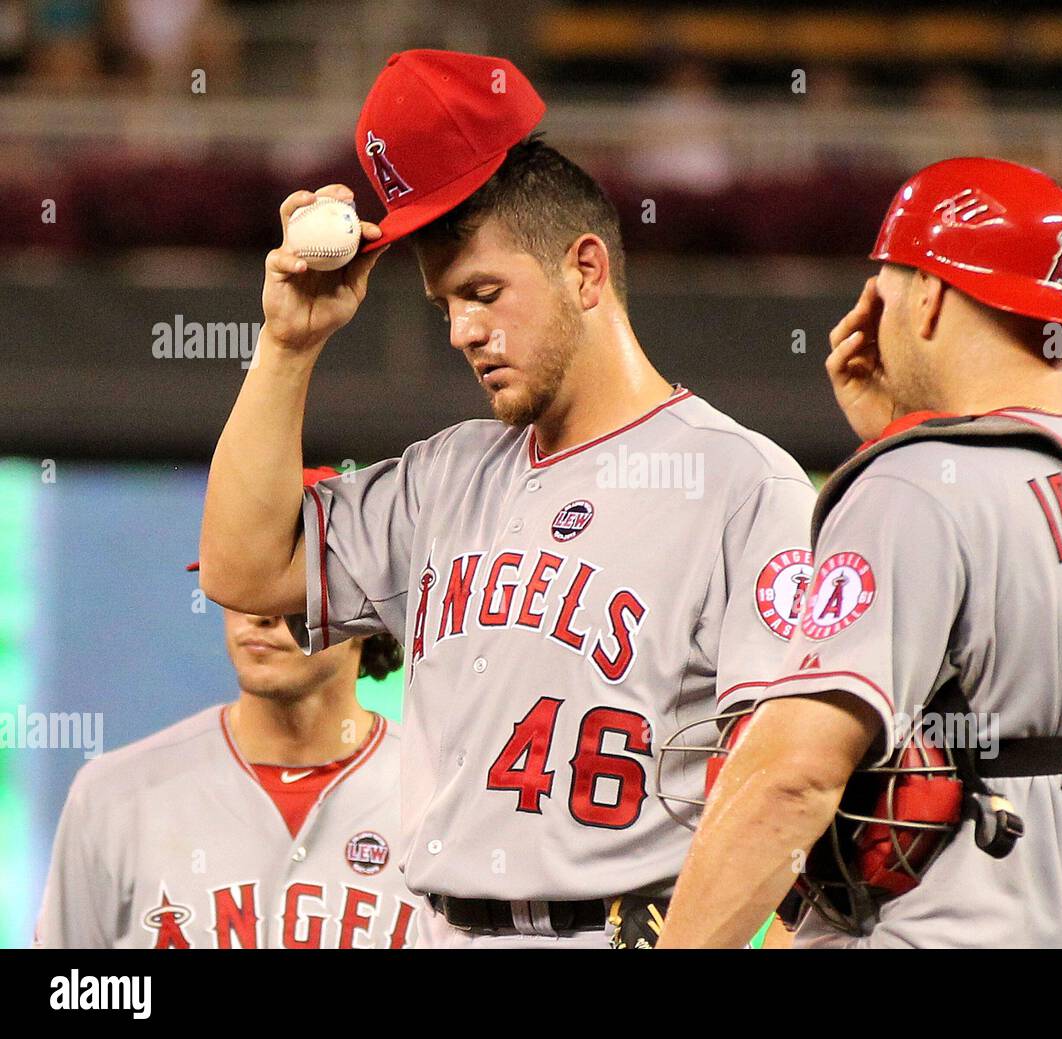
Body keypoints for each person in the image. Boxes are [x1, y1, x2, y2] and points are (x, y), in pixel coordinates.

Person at [198, 50, 815, 947]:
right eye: (446, 303)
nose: (461, 331)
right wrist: (288, 345)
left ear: (586, 270)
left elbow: (784, 781)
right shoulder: (448, 473)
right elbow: (243, 566)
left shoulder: (742, 483)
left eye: (484, 294)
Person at [658, 157, 1062, 949]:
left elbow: (793, 779)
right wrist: (907, 434)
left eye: (886, 285)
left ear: (928, 293)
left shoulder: (914, 489)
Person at [37, 470, 423, 948]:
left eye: (288, 583)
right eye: (239, 582)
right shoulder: (114, 794)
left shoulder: (437, 800)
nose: (258, 611)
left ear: (363, 604)